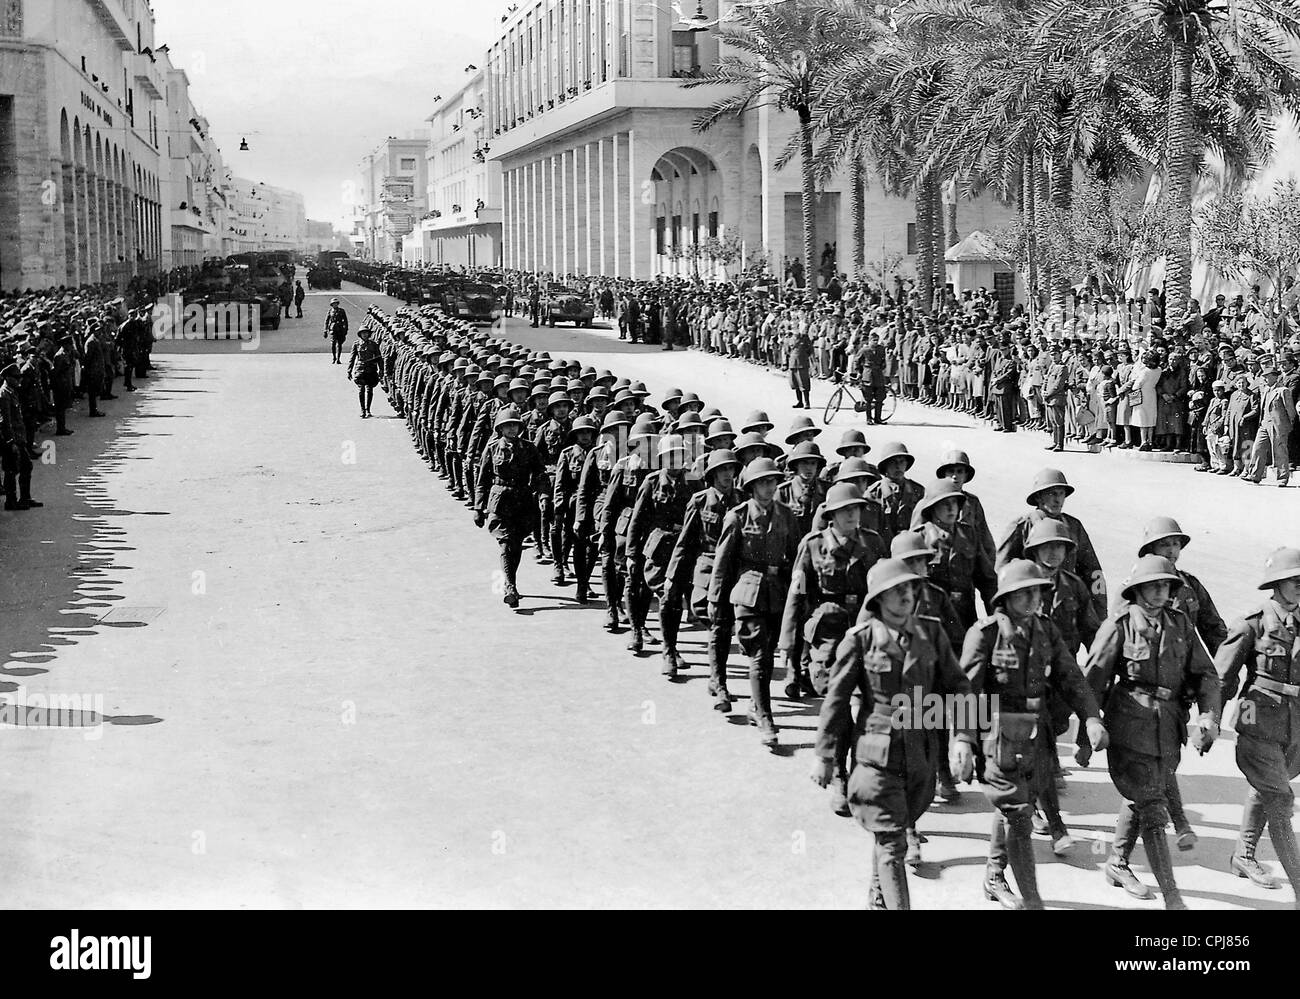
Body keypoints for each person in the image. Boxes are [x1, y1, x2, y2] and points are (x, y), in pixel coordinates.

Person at [810, 558, 977, 909]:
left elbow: (960, 686)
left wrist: (963, 737)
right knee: (892, 842)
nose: (907, 595)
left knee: (896, 829)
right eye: (898, 589)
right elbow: (836, 702)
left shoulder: (931, 632)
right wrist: (824, 756)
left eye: (911, 588)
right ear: (879, 598)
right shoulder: (859, 640)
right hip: (877, 756)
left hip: (921, 752)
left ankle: (877, 896)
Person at [963, 560, 1108, 910]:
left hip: (1037, 731)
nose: (1033, 600)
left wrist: (1090, 717)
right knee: (1017, 813)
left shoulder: (1045, 631)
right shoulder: (985, 634)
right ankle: (1032, 899)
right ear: (1007, 597)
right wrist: (962, 741)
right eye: (1024, 593)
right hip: (999, 733)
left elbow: (1071, 677)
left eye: (1037, 592)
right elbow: (964, 692)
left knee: (1018, 807)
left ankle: (994, 876)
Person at [1083, 555, 1220, 909]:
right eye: (1155, 584)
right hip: (1129, 726)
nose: (1162, 591)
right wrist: (1089, 729)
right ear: (1138, 589)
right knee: (1154, 808)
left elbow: (1206, 674)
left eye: (1167, 585)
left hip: (1168, 729)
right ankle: (1173, 897)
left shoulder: (1180, 625)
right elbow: (1092, 681)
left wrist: (1208, 717)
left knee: (1141, 799)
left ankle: (1117, 862)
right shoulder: (1119, 625)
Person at [783, 483, 887, 813]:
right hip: (828, 633)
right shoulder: (812, 545)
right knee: (838, 705)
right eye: (846, 510)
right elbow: (798, 596)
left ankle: (864, 772)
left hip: (865, 629)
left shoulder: (873, 542)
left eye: (856, 509)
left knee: (870, 705)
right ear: (831, 515)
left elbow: (886, 589)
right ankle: (841, 775)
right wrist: (790, 647)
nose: (853, 514)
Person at [1216, 547, 1300, 903]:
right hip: (1259, 721)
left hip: (1295, 724)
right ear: (1277, 583)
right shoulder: (1253, 622)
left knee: (1270, 786)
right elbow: (1221, 677)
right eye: (1295, 581)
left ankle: (1243, 855)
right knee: (1280, 797)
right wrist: (1208, 721)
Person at [709, 457, 801, 748]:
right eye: (763, 482)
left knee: (769, 651)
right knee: (759, 653)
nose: (769, 486)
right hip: (748, 590)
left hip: (778, 590)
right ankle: (765, 717)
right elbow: (722, 563)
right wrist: (715, 598)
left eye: (773, 480)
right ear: (750, 487)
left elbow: (796, 555)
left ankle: (754, 704)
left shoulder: (786, 514)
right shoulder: (737, 517)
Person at [666, 448, 745, 711]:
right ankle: (718, 681)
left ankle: (717, 680)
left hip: (733, 570)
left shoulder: (744, 500)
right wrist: (673, 577)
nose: (728, 475)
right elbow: (685, 542)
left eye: (731, 469)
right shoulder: (700, 501)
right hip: (707, 568)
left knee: (721, 626)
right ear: (711, 474)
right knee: (717, 623)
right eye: (722, 470)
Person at [628, 434, 695, 677]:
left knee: (674, 599)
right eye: (670, 456)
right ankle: (662, 646)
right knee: (663, 596)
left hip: (683, 549)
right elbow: (637, 519)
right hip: (657, 549)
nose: (675, 461)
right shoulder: (652, 482)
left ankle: (671, 647)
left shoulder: (693, 482)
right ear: (662, 458)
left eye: (679, 455)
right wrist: (632, 553)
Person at [997, 467, 1106, 616]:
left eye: (1062, 494)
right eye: (1052, 493)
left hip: (1065, 605)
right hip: (1030, 607)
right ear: (1039, 497)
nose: (1058, 500)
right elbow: (1001, 571)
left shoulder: (1073, 527)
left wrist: (1100, 612)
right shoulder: (1022, 527)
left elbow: (1093, 572)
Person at [474, 405, 547, 609]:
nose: (512, 429)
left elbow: (540, 473)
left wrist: (543, 495)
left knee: (516, 545)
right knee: (506, 543)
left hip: (523, 500)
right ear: (500, 429)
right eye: (507, 426)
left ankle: (511, 582)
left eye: (515, 425)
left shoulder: (529, 448)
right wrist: (478, 507)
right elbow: (482, 479)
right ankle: (509, 586)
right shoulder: (492, 448)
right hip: (500, 500)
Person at [1247, 357, 1295, 486]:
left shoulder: (1283, 391)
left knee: (1279, 451)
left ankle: (1282, 478)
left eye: (1267, 376)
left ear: (1275, 376)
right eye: (1264, 376)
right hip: (1264, 424)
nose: (1265, 379)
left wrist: (1288, 425)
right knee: (1258, 448)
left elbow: (1290, 410)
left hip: (1278, 425)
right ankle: (1255, 475)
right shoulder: (1266, 390)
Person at [346, 326, 382, 418]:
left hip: (371, 369)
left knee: (370, 389)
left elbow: (379, 358)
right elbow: (352, 358)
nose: (365, 335)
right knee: (361, 389)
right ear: (360, 334)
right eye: (363, 333)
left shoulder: (373, 344)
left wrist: (381, 370)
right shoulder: (356, 344)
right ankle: (362, 410)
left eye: (366, 333)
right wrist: (349, 370)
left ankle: (368, 409)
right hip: (360, 369)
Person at [323, 299, 348, 364]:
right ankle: (334, 357)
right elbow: (326, 321)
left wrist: (345, 329)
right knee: (333, 344)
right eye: (333, 303)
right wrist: (325, 330)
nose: (335, 304)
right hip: (332, 329)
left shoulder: (342, 311)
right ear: (331, 305)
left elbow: (345, 321)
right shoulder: (330, 311)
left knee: (339, 344)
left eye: (336, 303)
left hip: (340, 329)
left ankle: (338, 358)